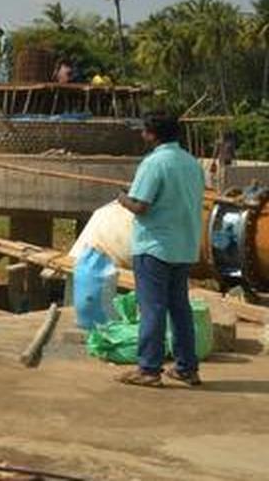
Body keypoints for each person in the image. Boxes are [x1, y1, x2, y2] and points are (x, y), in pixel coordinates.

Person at [115, 113, 206, 387]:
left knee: (152, 308)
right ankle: (186, 368)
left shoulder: (154, 163)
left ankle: (149, 369)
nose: (142, 136)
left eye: (144, 131)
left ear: (153, 134)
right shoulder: (192, 163)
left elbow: (141, 205)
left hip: (154, 247)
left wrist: (123, 199)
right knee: (180, 309)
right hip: (184, 246)